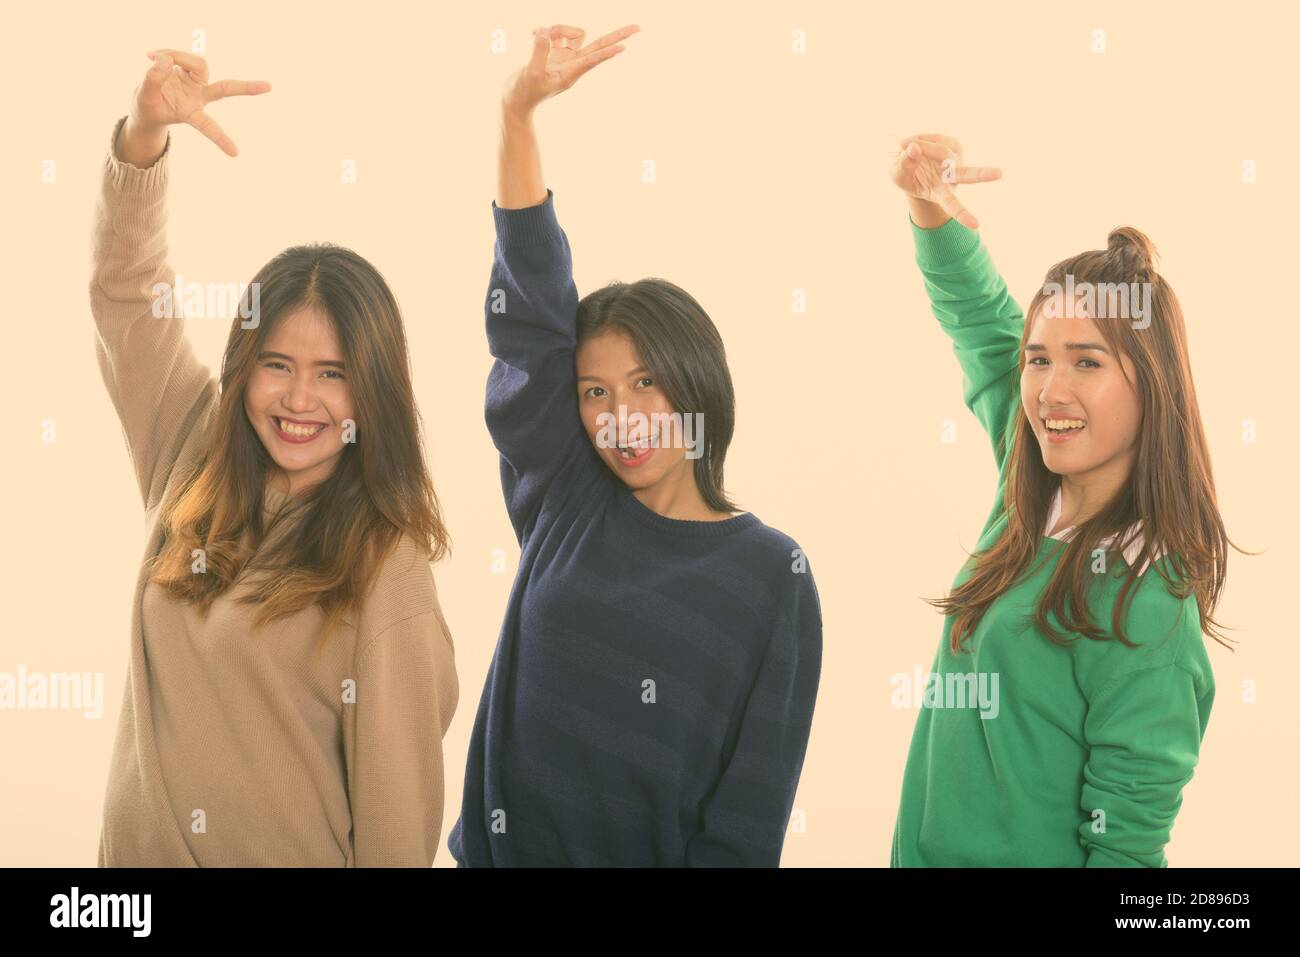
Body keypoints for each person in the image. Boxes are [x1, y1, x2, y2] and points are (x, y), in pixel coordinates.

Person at [447, 24, 823, 866]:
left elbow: (746, 821)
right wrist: (518, 118)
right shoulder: (565, 498)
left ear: (698, 383)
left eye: (647, 382)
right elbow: (533, 316)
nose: (622, 414)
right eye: (595, 391)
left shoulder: (773, 575)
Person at [92, 49, 458, 866]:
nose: (300, 400)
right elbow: (125, 290)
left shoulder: (386, 566)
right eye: (277, 365)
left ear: (373, 395)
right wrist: (146, 135)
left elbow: (398, 835)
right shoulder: (190, 445)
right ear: (242, 366)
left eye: (333, 375)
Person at [888, 133, 1234, 867]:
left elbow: (1125, 854)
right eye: (1039, 359)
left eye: (1088, 362)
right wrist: (926, 200)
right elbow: (982, 324)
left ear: (1151, 383)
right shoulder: (1027, 488)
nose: (1051, 391)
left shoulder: (1148, 604)